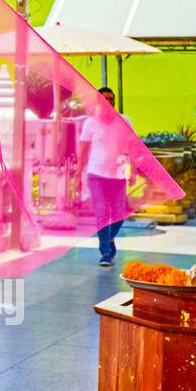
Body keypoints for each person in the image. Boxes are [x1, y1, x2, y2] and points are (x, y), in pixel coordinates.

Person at [78, 86, 133, 267]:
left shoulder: (125, 121)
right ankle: (105, 253)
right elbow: (83, 150)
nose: (108, 102)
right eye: (104, 99)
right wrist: (79, 173)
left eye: (111, 99)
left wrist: (130, 171)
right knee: (102, 213)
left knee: (119, 215)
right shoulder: (90, 123)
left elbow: (131, 148)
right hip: (96, 175)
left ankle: (108, 239)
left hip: (118, 175)